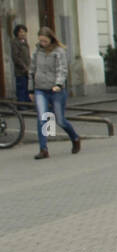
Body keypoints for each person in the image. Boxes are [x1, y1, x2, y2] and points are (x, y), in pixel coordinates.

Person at [31, 26, 81, 159]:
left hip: (55, 90)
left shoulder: (58, 51)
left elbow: (62, 69)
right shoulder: (37, 51)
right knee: (43, 118)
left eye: (45, 41)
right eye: (40, 41)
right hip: (40, 89)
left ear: (51, 39)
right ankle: (43, 149)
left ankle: (75, 138)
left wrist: (59, 84)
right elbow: (32, 70)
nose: (43, 44)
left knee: (60, 120)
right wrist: (31, 89)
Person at [10, 23, 31, 104]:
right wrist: (24, 67)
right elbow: (16, 57)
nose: (22, 33)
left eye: (24, 32)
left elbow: (27, 56)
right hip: (20, 71)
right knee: (21, 88)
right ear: (17, 33)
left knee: (27, 88)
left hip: (27, 70)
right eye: (20, 32)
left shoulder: (24, 42)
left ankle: (27, 103)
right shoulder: (15, 42)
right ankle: (21, 105)